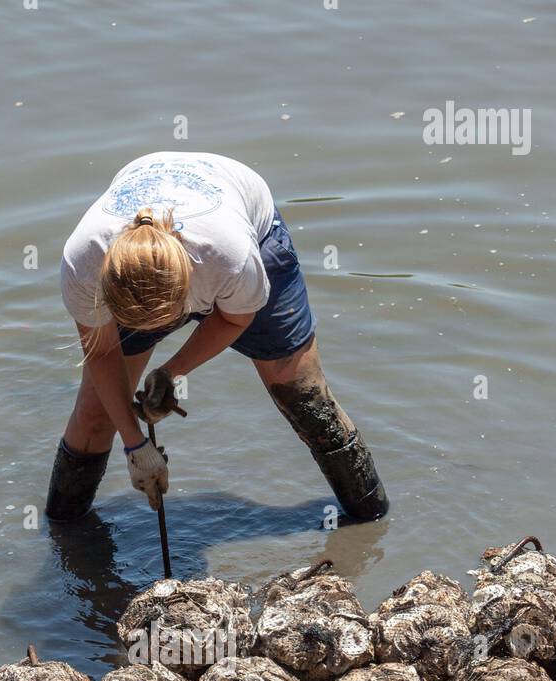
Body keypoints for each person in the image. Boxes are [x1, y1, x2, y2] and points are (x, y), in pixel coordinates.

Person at [47, 151, 388, 522]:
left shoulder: (231, 259)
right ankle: (66, 538)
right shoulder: (83, 266)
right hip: (148, 254)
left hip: (250, 226)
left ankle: (371, 520)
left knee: (306, 400)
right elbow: (101, 354)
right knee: (96, 413)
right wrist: (136, 446)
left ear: (187, 293)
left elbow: (233, 319)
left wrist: (172, 369)